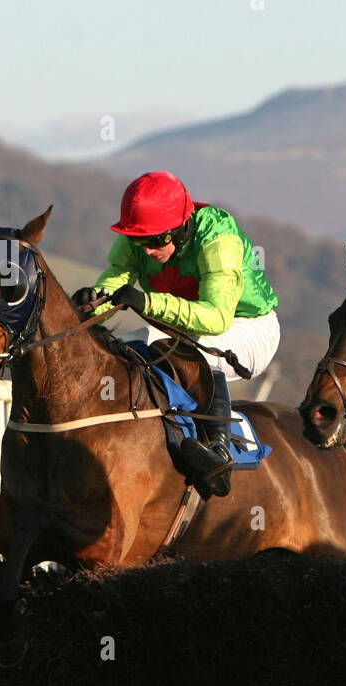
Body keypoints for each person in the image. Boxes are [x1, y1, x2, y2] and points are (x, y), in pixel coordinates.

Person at [74, 171, 280, 497]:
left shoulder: (217, 237)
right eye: (140, 241)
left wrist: (148, 301)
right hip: (182, 329)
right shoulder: (140, 237)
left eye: (156, 241)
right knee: (127, 350)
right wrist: (91, 303)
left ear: (181, 228)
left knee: (191, 351)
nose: (147, 250)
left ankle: (218, 452)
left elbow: (215, 318)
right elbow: (114, 280)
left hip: (246, 327)